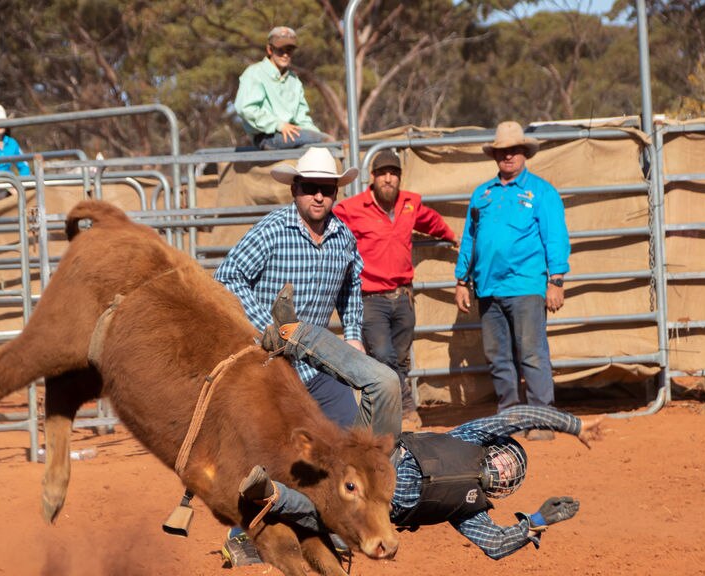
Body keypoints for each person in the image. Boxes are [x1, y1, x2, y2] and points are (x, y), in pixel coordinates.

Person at [239, 401, 603, 560]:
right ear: (498, 449)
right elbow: (520, 416)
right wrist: (574, 425)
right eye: (507, 464)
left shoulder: (472, 506)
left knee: (322, 520)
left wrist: (538, 520)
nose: (502, 471)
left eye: (508, 475)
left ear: (504, 488)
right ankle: (298, 340)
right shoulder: (471, 442)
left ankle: (271, 494)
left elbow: (494, 544)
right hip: (378, 467)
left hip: (376, 505)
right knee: (375, 388)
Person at [214, 147, 401, 441]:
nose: (318, 196)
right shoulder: (272, 230)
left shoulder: (343, 237)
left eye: (327, 189)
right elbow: (227, 276)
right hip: (266, 363)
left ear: (336, 193)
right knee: (270, 448)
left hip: (317, 364)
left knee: (349, 442)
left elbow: (351, 285)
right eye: (310, 188)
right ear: (295, 189)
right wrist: (270, 327)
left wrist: (353, 334)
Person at [454, 122, 569, 439]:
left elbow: (555, 237)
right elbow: (470, 239)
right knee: (498, 357)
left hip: (525, 285)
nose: (508, 156)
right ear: (495, 155)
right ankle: (510, 419)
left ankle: (542, 419)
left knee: (531, 354)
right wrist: (462, 280)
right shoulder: (482, 194)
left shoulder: (542, 192)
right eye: (502, 151)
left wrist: (556, 280)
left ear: (524, 153)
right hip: (488, 288)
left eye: (514, 150)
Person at [334, 149, 457, 431]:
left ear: (400, 177)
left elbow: (430, 221)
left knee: (400, 359)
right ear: (372, 177)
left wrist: (450, 235)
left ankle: (385, 414)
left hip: (403, 296)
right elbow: (330, 223)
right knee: (383, 355)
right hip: (371, 298)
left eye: (393, 173)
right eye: (382, 173)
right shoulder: (352, 208)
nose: (388, 179)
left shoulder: (410, 204)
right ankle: (406, 409)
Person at [234, 26, 328, 150]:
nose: (285, 55)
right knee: (318, 139)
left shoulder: (294, 80)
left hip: (293, 134)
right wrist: (279, 125)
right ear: (269, 49)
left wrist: (319, 135)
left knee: (328, 141)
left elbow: (302, 118)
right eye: (280, 50)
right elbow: (246, 109)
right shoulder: (254, 73)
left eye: (289, 50)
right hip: (267, 136)